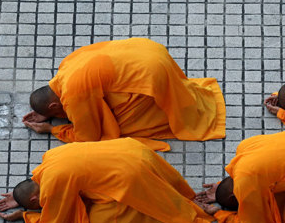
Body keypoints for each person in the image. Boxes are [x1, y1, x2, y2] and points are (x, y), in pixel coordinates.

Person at [0, 138, 214, 223]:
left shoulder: (53, 186)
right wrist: (18, 195)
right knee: (158, 192)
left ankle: (192, 212)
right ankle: (183, 197)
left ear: (35, 201)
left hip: (130, 176)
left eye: (36, 204)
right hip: (133, 150)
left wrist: (27, 216)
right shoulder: (49, 159)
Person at [22, 38, 225, 151]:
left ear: (53, 106)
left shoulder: (74, 94)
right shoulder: (65, 68)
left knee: (120, 125)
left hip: (152, 71)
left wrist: (52, 129)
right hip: (149, 51)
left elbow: (89, 136)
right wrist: (49, 113)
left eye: (58, 113)